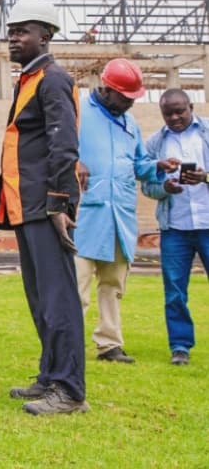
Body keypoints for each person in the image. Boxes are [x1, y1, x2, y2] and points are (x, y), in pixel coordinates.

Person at [0, 0, 87, 415]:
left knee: (58, 296)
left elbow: (64, 145)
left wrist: (60, 204)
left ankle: (69, 390)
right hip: (25, 206)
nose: (13, 39)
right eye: (11, 32)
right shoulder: (29, 80)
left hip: (46, 207)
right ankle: (50, 376)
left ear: (45, 36)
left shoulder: (53, 80)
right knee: (41, 298)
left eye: (22, 32)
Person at [76, 59, 177, 364]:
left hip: (119, 217)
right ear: (107, 89)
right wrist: (73, 162)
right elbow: (53, 148)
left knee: (114, 285)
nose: (130, 103)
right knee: (76, 287)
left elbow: (139, 165)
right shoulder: (77, 112)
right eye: (125, 97)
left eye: (133, 98)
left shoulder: (130, 123)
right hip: (83, 216)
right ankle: (68, 348)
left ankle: (109, 344)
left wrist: (157, 166)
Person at [141, 88, 209, 366]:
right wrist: (165, 188)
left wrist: (205, 177)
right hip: (175, 229)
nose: (174, 118)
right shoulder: (155, 143)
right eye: (168, 113)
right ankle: (180, 346)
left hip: (207, 223)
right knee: (175, 292)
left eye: (179, 111)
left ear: (191, 106)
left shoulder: (206, 133)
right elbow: (148, 186)